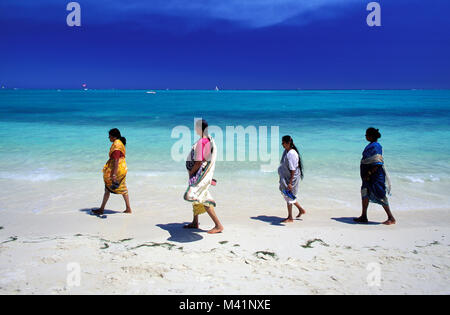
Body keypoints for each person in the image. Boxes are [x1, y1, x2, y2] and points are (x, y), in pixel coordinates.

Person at [183, 119, 224, 234]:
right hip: (201, 172)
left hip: (199, 173)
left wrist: (192, 172)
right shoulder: (207, 140)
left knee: (202, 197)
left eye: (196, 127)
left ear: (199, 129)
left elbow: (199, 161)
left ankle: (218, 225)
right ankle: (195, 222)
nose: (195, 129)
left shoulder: (202, 142)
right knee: (195, 195)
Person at [354, 127, 396, 225]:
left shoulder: (376, 146)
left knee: (380, 195)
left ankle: (391, 217)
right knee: (364, 193)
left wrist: (369, 173)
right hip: (367, 177)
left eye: (367, 135)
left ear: (371, 136)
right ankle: (364, 216)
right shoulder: (370, 145)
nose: (365, 136)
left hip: (375, 176)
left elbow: (377, 162)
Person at [92, 128, 132, 215]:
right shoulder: (119, 143)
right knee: (120, 189)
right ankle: (128, 208)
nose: (108, 138)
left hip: (117, 170)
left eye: (109, 136)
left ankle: (102, 209)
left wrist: (113, 175)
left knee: (110, 188)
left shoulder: (116, 146)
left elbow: (116, 160)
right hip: (122, 168)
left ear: (114, 137)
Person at [278, 135, 306, 223]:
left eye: (283, 143)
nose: (282, 144)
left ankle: (290, 217)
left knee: (288, 196)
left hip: (291, 178)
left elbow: (293, 169)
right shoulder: (286, 151)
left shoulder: (291, 154)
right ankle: (300, 209)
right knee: (288, 195)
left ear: (288, 143)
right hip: (286, 177)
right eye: (282, 142)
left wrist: (290, 183)